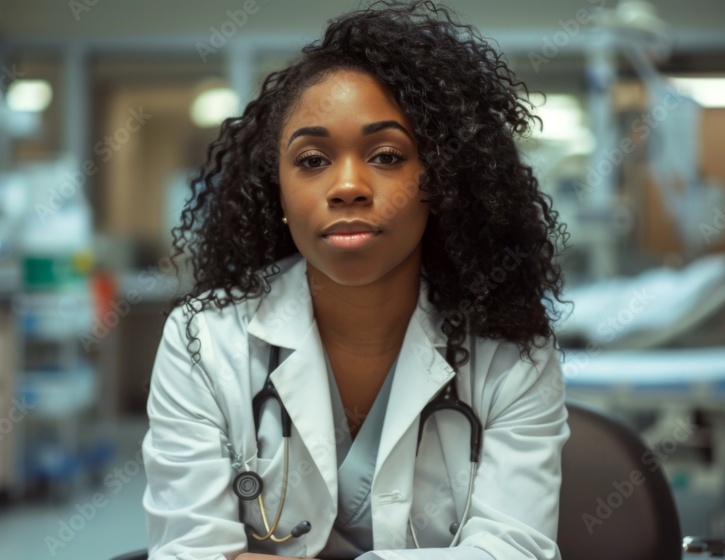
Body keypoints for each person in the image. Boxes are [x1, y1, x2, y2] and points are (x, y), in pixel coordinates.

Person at [142, 1, 570, 558]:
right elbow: (187, 552)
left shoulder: (509, 351)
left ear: (440, 183)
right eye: (312, 159)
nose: (347, 186)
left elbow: (517, 552)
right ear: (278, 193)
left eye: (387, 155)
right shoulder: (204, 339)